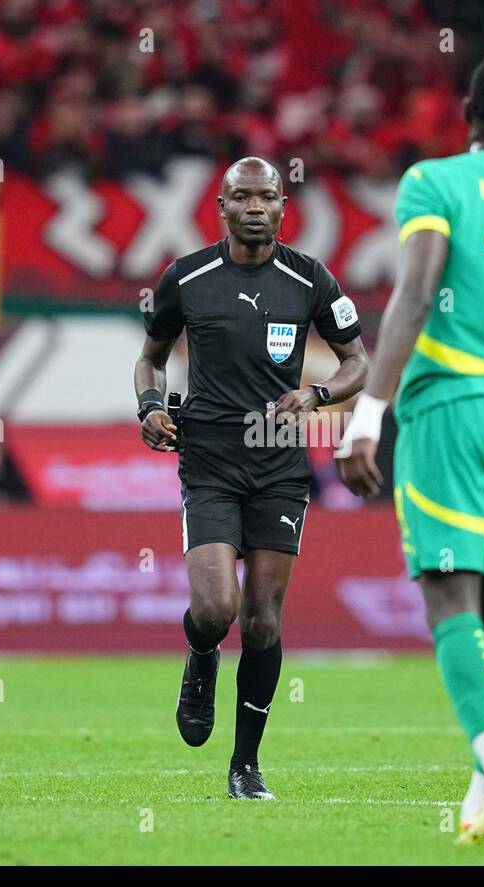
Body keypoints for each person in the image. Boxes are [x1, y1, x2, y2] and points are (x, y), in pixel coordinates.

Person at [336, 50, 484, 844]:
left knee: (449, 592)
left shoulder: (433, 183)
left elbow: (416, 290)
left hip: (453, 403)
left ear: (468, 115)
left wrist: (370, 410)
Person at [133, 157, 368, 799]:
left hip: (280, 464)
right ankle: (201, 654)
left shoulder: (310, 278)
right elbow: (150, 360)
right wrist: (150, 407)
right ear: (222, 206)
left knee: (263, 621)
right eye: (243, 197)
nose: (256, 207)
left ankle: (244, 765)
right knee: (216, 609)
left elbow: (358, 362)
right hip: (208, 461)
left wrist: (317, 395)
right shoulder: (186, 277)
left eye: (268, 196)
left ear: (284, 207)